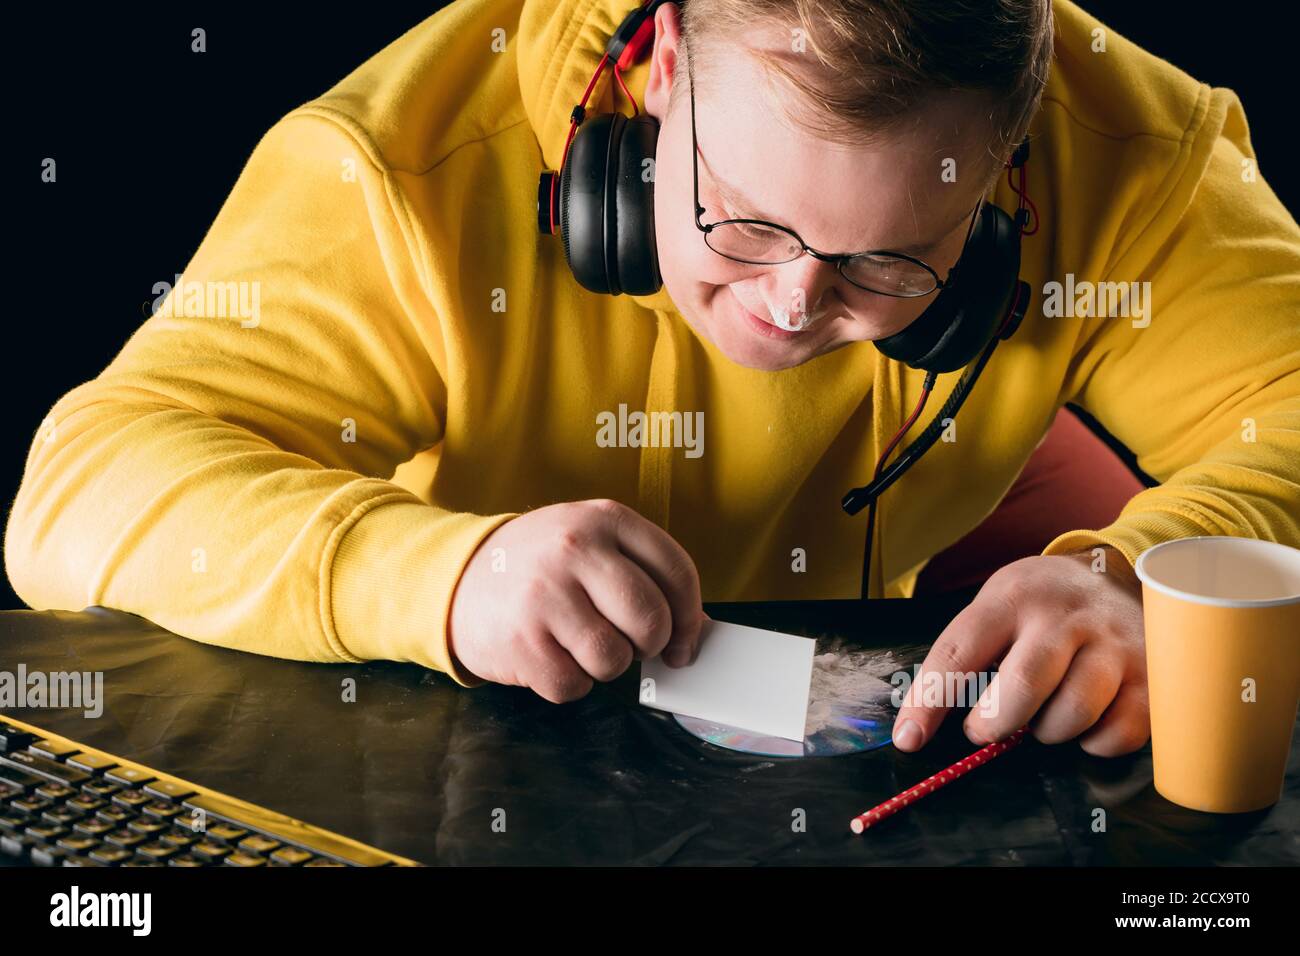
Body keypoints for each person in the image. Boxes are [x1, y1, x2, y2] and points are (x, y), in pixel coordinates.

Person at [7, 0, 1298, 760]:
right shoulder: (396, 168)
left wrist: (1139, 571)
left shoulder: (1137, 151)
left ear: (1018, 164)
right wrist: (441, 574)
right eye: (738, 217)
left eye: (895, 259)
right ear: (663, 66)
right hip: (438, 758)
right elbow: (79, 492)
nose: (796, 304)